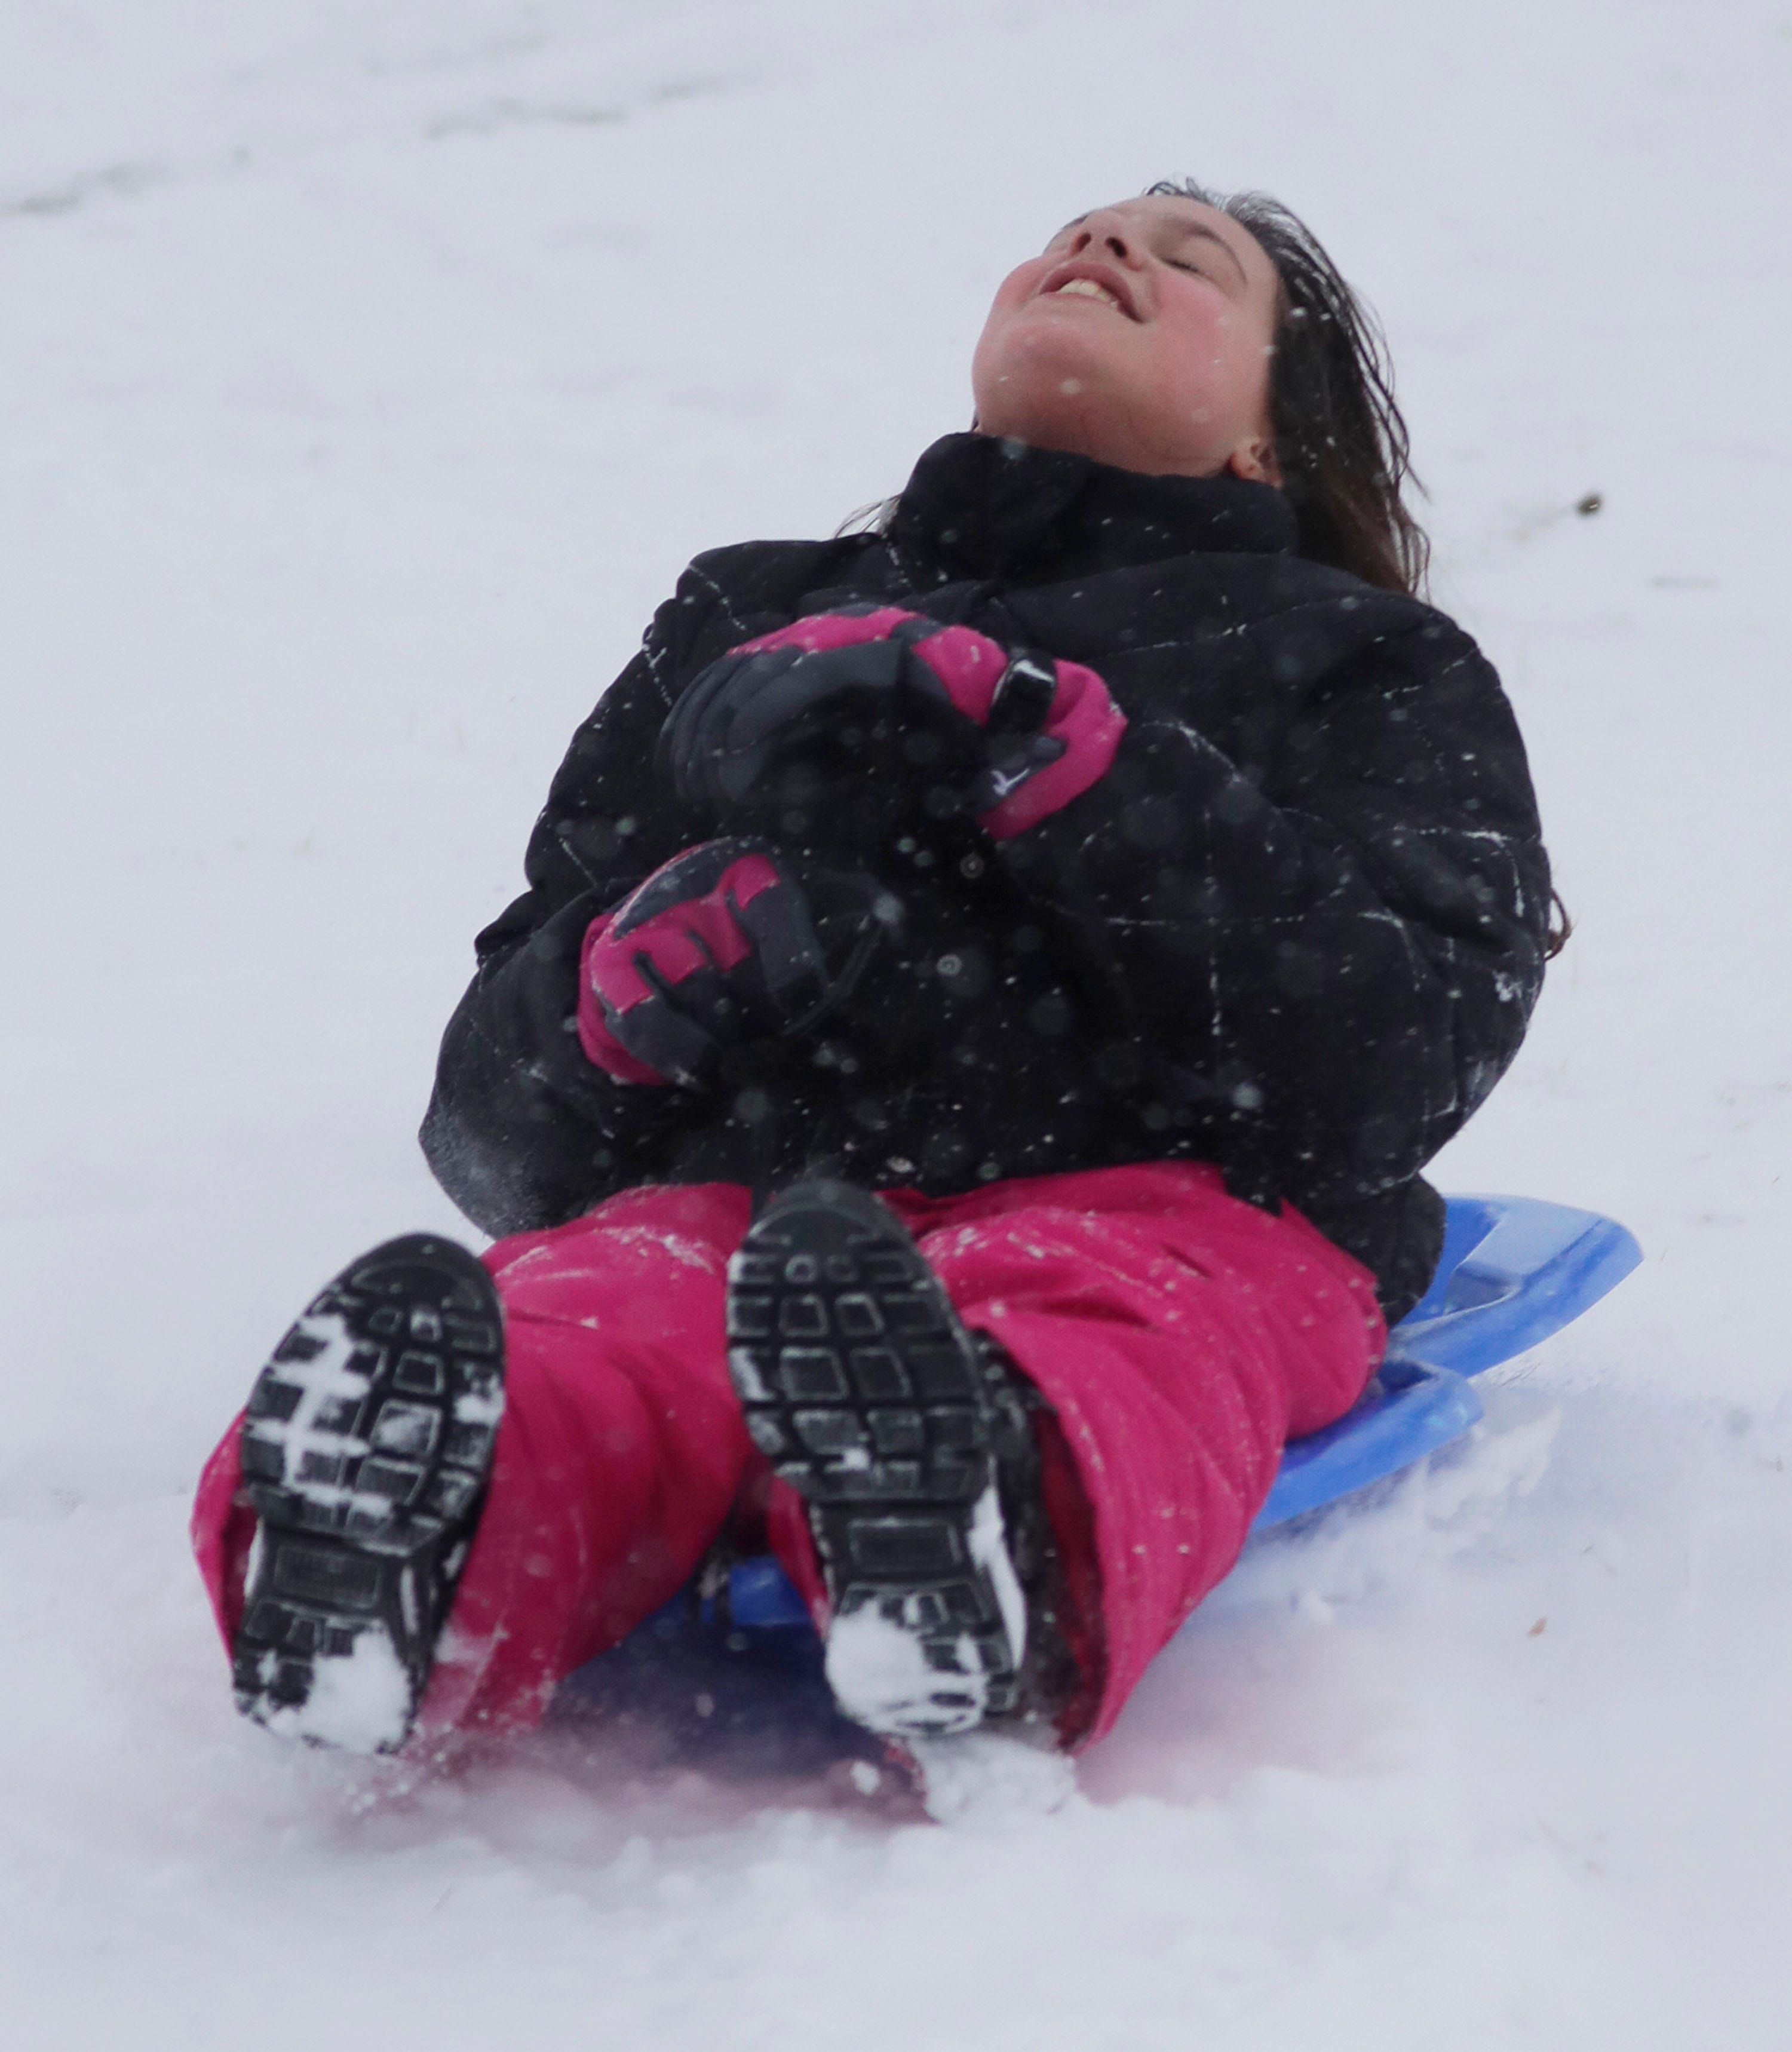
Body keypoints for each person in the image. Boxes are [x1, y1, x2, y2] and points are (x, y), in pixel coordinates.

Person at [192, 182, 1552, 1758]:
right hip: (750, 1216)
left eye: (1191, 266)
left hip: (1170, 1199)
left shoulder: (1361, 658)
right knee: (592, 1325)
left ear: (1269, 437)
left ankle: (982, 1518)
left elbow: (1396, 1052)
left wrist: (1066, 761)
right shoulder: (748, 615)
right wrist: (607, 993)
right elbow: (496, 1144)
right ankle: (399, 1557)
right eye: (1080, 232)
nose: (1105, 250)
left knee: (1109, 1321)